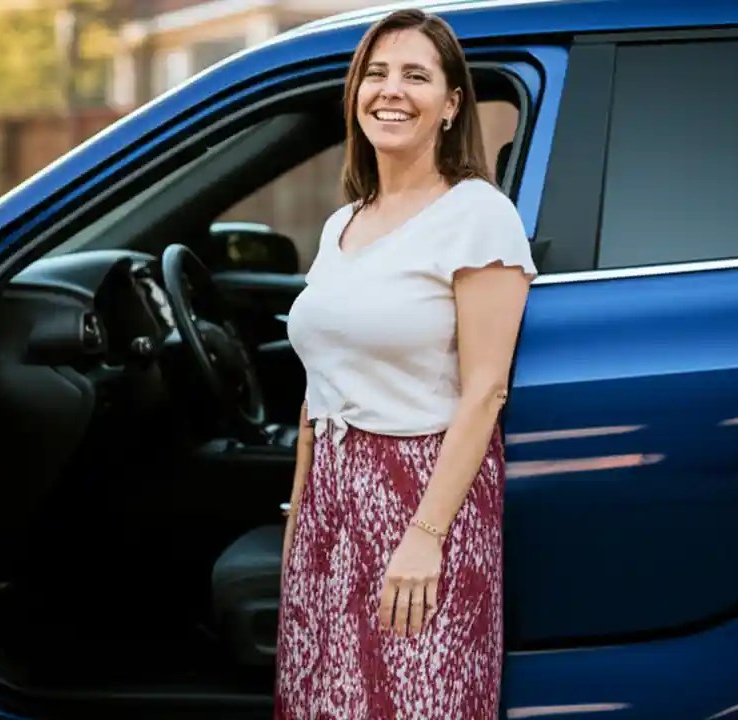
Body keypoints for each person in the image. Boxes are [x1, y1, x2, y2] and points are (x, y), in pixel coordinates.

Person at [275, 8, 536, 719]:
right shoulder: (345, 222)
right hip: (332, 496)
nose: (391, 91)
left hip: (423, 494)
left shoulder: (477, 214)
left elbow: (485, 390)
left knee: (418, 701)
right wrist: (301, 510)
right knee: (323, 699)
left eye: (416, 75)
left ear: (452, 104)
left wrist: (425, 538)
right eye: (377, 73)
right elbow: (318, 386)